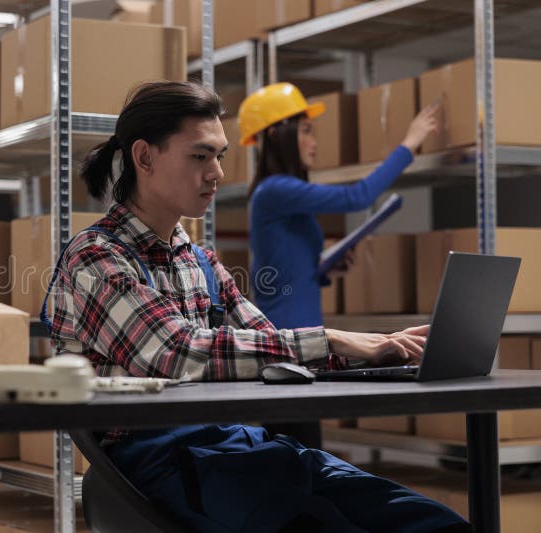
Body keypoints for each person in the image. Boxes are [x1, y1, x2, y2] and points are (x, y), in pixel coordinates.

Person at [46, 81, 468, 532]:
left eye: (220, 156)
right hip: (156, 464)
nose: (217, 174)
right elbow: (179, 352)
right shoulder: (96, 257)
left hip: (230, 444)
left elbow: (267, 342)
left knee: (431, 522)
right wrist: (330, 338)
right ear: (145, 157)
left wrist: (383, 350)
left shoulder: (200, 261)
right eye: (199, 156)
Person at [240, 82, 440, 330]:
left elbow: (286, 270)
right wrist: (409, 145)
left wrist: (326, 266)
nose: (314, 142)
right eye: (305, 131)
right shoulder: (274, 191)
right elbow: (356, 197)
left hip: (302, 330)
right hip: (287, 335)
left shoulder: (279, 195)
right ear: (276, 135)